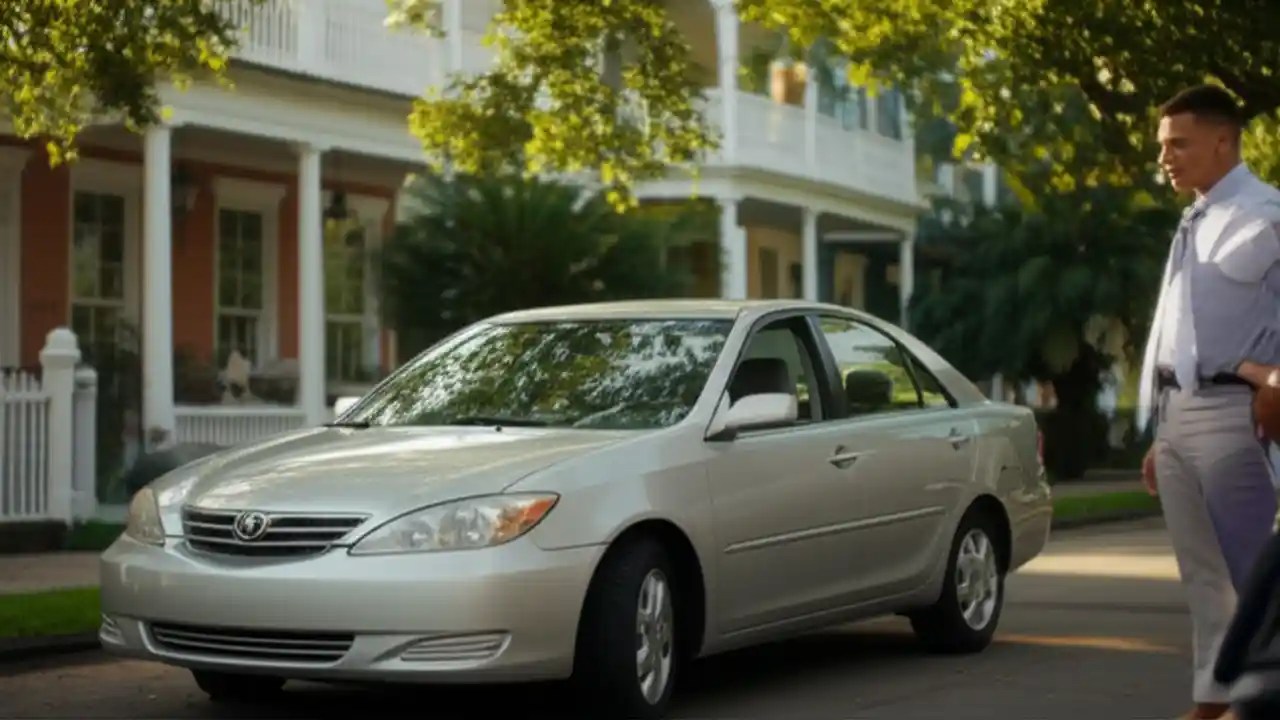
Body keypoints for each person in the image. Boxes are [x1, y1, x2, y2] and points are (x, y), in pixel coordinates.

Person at [1136, 84, 1280, 720]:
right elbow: (1180, 333)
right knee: (1205, 585)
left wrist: (1277, 384)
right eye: (1163, 146)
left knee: (1257, 579)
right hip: (1179, 417)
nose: (1165, 157)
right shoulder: (1193, 220)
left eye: (1178, 144)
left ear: (1224, 141)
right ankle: (1214, 704)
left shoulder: (1268, 214)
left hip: (1236, 415)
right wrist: (1160, 431)